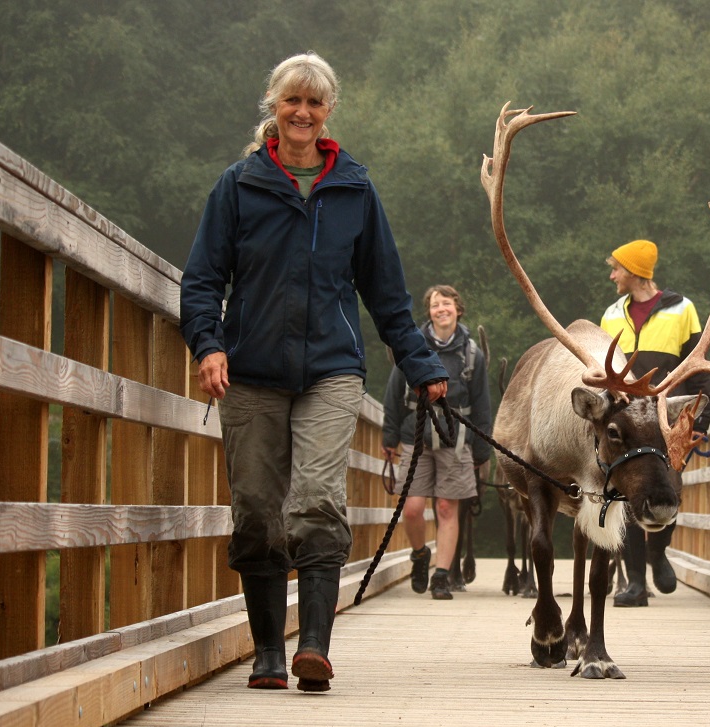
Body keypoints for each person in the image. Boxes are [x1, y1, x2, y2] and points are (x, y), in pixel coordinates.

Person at [179, 52, 447, 693]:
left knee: (318, 500)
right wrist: (207, 344)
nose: (302, 113)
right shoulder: (238, 186)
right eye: (291, 101)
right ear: (274, 107)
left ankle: (316, 649)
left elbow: (386, 295)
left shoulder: (354, 188)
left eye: (315, 103)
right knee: (255, 509)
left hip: (330, 369)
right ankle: (269, 651)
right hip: (249, 372)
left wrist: (422, 365)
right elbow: (202, 280)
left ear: (329, 112)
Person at [599, 239, 710, 607]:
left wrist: (699, 421)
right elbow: (605, 374)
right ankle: (635, 582)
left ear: (634, 271)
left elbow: (698, 366)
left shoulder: (683, 309)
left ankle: (658, 551)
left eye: (616, 268)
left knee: (670, 488)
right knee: (633, 493)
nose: (612, 274)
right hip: (631, 422)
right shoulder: (611, 314)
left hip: (668, 420)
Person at [382, 285, 492, 600]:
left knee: (446, 507)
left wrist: (482, 448)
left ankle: (441, 576)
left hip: (456, 440)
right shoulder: (412, 347)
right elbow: (393, 396)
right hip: (415, 436)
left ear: (458, 308)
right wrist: (389, 436)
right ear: (429, 312)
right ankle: (420, 555)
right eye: (434, 304)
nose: (440, 309)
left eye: (446, 303)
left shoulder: (472, 353)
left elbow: (482, 403)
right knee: (413, 508)